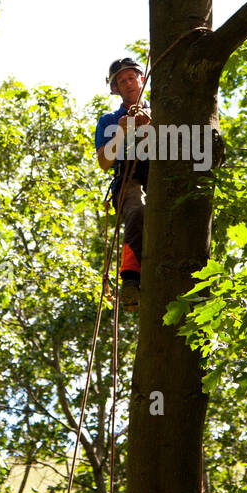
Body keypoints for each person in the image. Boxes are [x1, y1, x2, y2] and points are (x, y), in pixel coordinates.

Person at [95, 57, 151, 310]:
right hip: (130, 178)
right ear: (115, 88)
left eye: (132, 77)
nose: (129, 83)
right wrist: (122, 131)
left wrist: (151, 121)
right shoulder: (109, 120)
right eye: (122, 80)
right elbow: (104, 162)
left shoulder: (163, 109)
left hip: (159, 172)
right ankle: (130, 278)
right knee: (137, 210)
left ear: (141, 79)